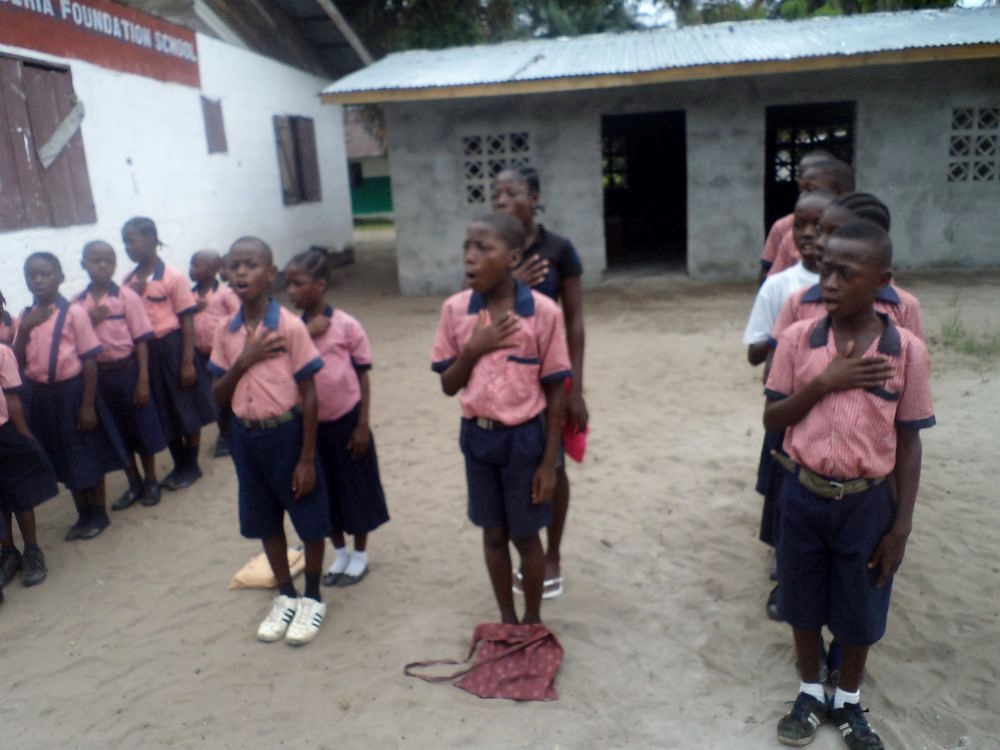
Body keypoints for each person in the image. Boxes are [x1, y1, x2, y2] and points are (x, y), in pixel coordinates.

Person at [764, 222, 935, 749]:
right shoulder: (798, 339)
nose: (830, 282)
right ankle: (811, 690)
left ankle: (848, 700)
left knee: (861, 605)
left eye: (846, 272)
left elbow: (909, 443)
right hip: (802, 494)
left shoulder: (906, 352)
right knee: (802, 599)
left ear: (882, 281)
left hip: (867, 503)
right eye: (825, 269)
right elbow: (773, 419)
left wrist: (901, 526)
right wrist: (822, 383)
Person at [431, 213, 571, 625]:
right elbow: (448, 385)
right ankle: (508, 621)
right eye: (467, 248)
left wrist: (548, 463)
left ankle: (531, 621)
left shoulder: (543, 313)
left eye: (483, 249)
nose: (470, 258)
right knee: (493, 533)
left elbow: (556, 389)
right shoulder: (456, 311)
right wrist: (474, 348)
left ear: (512, 258)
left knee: (526, 536)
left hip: (526, 440)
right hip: (478, 437)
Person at [209, 236, 329, 646]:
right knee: (265, 519)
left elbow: (310, 393)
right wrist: (244, 360)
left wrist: (307, 457)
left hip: (289, 435)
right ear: (226, 274)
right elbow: (217, 394)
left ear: (271, 274)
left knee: (309, 519)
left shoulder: (290, 327)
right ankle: (285, 594)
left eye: (251, 264)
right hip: (248, 438)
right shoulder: (226, 332)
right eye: (235, 265)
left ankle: (312, 596)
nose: (241, 272)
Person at [491, 166, 586, 600]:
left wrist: (576, 389)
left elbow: (575, 321)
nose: (501, 201)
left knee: (555, 463)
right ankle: (521, 545)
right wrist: (513, 285)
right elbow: (469, 305)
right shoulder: (491, 247)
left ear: (534, 196)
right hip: (504, 376)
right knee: (513, 459)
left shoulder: (559, 249)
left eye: (510, 193)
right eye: (495, 195)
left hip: (550, 375)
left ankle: (553, 554)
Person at [742, 190, 833, 620]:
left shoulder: (857, 288)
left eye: (821, 225)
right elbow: (756, 351)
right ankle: (785, 560)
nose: (810, 234)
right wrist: (785, 341)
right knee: (782, 482)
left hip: (835, 410)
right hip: (788, 401)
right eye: (801, 225)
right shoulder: (783, 289)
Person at [284, 249, 390, 588]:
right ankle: (340, 552)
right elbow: (284, 370)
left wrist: (362, 425)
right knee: (323, 492)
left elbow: (362, 377)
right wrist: (309, 335)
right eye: (287, 285)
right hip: (311, 428)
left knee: (355, 489)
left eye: (298, 284)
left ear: (321, 284)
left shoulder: (346, 325)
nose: (291, 292)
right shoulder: (291, 331)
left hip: (347, 423)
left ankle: (359, 554)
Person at [13, 253, 127, 547]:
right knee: (63, 455)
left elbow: (90, 361)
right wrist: (25, 330)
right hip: (43, 398)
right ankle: (83, 513)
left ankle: (98, 512)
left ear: (60, 277)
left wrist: (88, 405)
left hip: (74, 393)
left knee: (87, 451)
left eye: (45, 274)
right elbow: (17, 361)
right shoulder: (23, 318)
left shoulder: (74, 313)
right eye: (32, 275)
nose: (38, 280)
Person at [75, 241, 168, 511]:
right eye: (95, 260)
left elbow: (141, 340)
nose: (103, 266)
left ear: (115, 265)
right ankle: (134, 481)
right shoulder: (78, 305)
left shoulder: (126, 296)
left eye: (109, 261)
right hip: (99, 380)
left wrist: (142, 380)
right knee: (118, 432)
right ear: (83, 264)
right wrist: (89, 320)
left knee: (142, 427)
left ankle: (151, 480)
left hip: (127, 371)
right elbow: (76, 343)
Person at [122, 217, 212, 491]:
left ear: (151, 239)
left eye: (132, 240)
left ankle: (191, 465)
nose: (128, 247)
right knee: (162, 408)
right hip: (147, 354)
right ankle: (179, 463)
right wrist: (130, 294)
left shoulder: (172, 277)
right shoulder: (128, 282)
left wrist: (187, 361)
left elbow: (186, 320)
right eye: (124, 242)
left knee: (185, 406)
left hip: (173, 348)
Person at [771, 194, 924, 344]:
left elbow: (911, 359)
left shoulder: (902, 306)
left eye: (836, 233)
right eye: (820, 230)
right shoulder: (800, 303)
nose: (820, 242)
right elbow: (777, 365)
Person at [0, 341, 59, 591]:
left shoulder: (2, 352)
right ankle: (9, 553)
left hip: (5, 432)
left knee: (21, 494)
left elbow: (12, 395)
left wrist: (24, 436)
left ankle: (32, 551)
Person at [758, 149, 837, 285]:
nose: (807, 233)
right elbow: (768, 270)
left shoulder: (851, 234)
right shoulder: (784, 229)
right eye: (801, 179)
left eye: (812, 188)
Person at [767, 159, 855, 278]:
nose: (802, 195)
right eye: (801, 190)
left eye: (811, 189)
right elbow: (772, 277)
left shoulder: (858, 238)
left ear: (841, 194)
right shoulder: (789, 236)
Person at [190, 249, 238, 458]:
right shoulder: (190, 295)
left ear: (213, 270)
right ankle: (224, 432)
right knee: (214, 396)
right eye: (191, 264)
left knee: (228, 394)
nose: (191, 270)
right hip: (201, 355)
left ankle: (231, 432)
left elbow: (238, 319)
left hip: (224, 354)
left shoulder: (225, 294)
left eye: (196, 265)